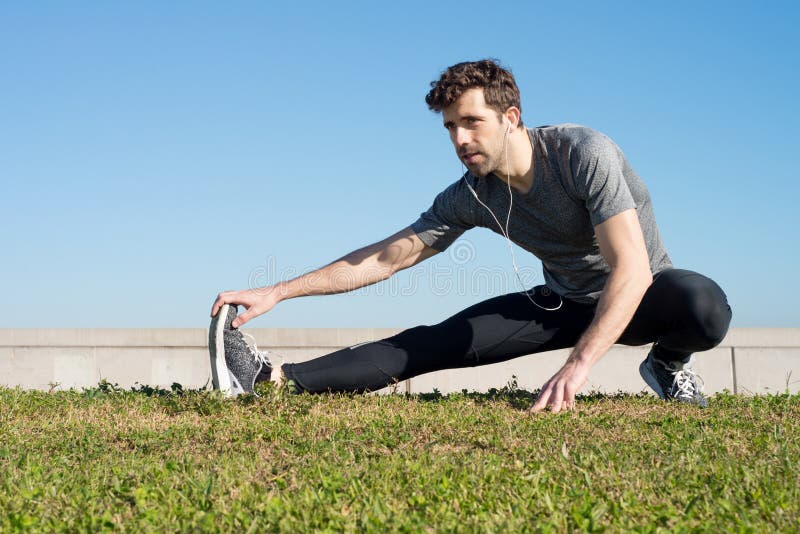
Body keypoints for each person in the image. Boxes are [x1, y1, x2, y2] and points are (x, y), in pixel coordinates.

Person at [209, 59, 732, 411]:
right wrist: (278, 290)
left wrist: (578, 365)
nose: (460, 139)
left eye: (471, 122)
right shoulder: (471, 194)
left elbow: (632, 267)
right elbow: (386, 258)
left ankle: (666, 364)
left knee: (705, 306)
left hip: (644, 295)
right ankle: (274, 380)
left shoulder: (580, 154)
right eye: (450, 128)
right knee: (432, 343)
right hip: (565, 302)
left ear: (511, 117)